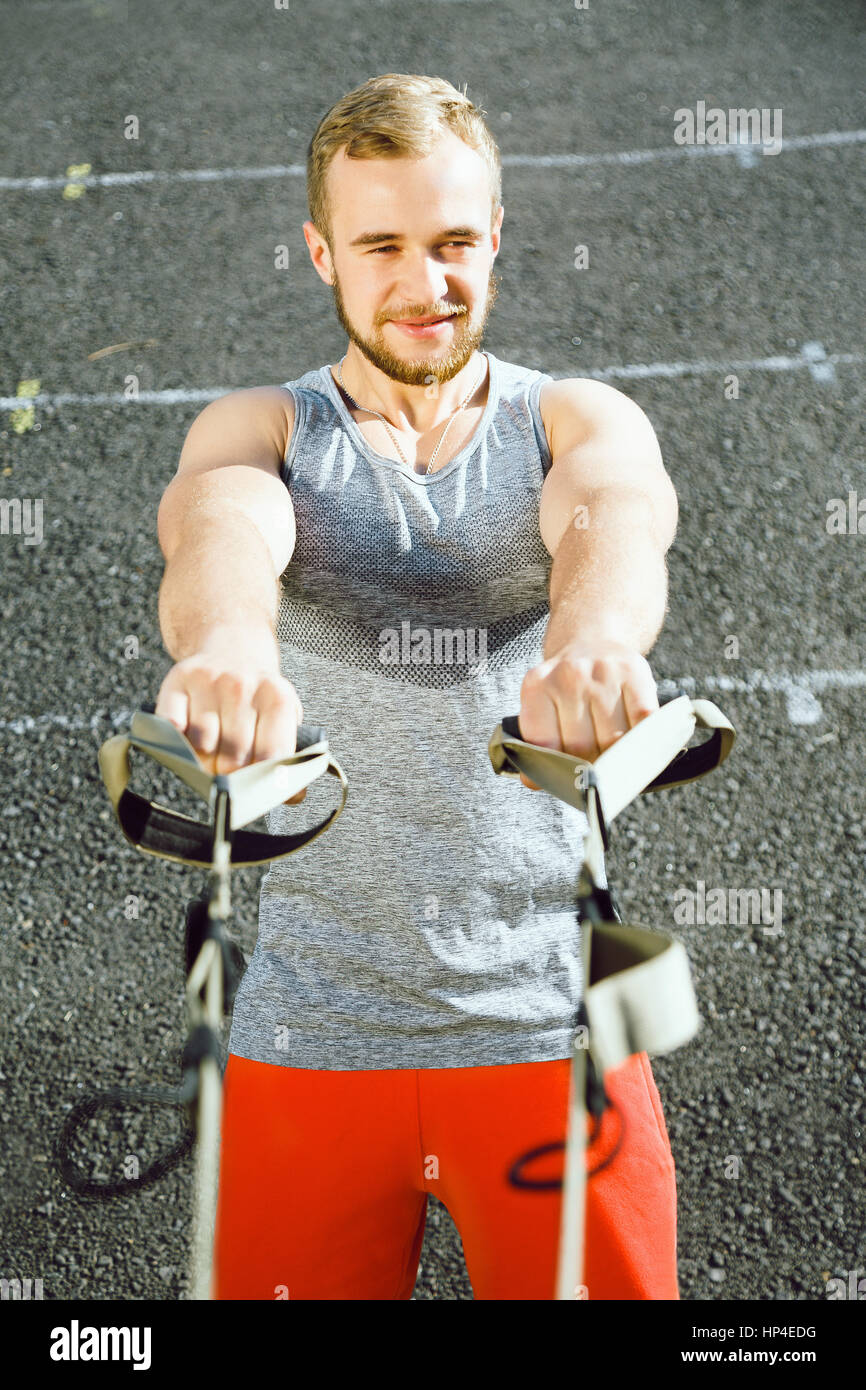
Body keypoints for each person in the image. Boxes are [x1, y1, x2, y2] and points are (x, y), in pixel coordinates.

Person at [155, 73, 680, 1300]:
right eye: (381, 245)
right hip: (305, 1035)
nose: (423, 283)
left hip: (551, 1033)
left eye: (452, 243)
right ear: (320, 252)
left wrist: (591, 639)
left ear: (493, 238)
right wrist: (227, 647)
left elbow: (612, 512)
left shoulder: (568, 420)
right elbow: (220, 525)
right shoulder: (262, 431)